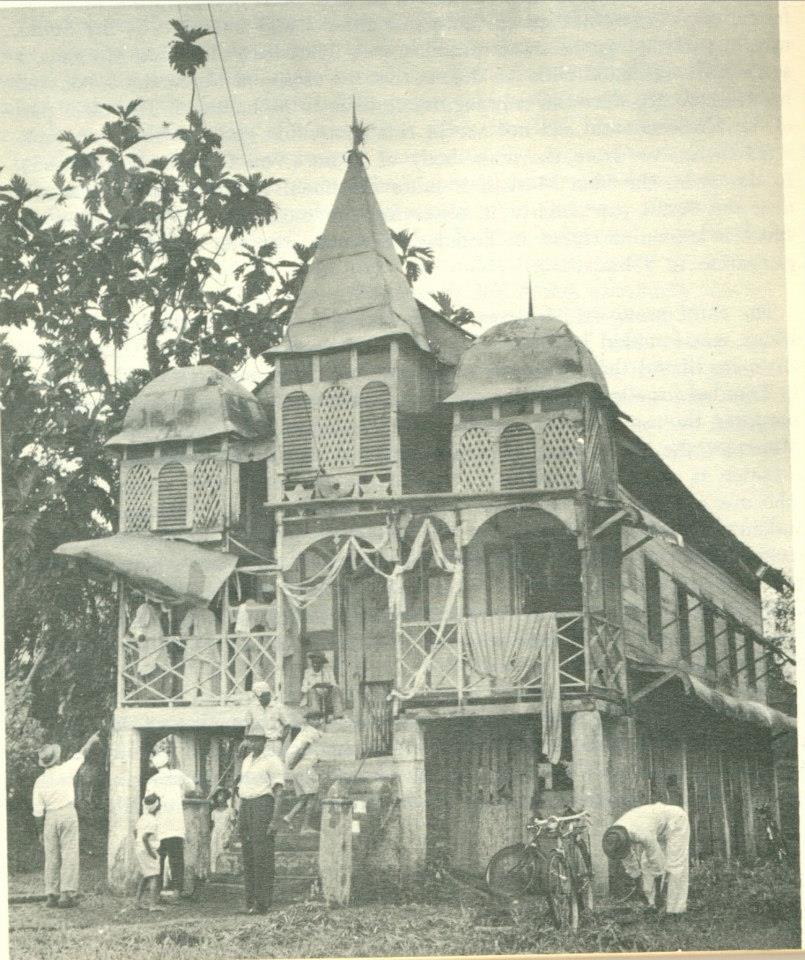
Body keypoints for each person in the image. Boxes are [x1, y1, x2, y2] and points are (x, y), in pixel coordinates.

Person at [32, 729, 101, 908]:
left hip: (49, 818)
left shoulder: (40, 782)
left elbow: (38, 811)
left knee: (51, 856)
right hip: (67, 813)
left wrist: (40, 831)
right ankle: (66, 894)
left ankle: (51, 894)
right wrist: (91, 740)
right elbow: (81, 754)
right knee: (69, 853)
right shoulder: (65, 770)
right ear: (57, 758)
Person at [602, 801, 691, 915]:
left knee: (674, 865)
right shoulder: (616, 835)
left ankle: (674, 911)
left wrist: (659, 892)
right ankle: (652, 905)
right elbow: (628, 860)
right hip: (656, 826)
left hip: (676, 821)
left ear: (627, 840)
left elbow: (657, 863)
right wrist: (639, 887)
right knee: (646, 863)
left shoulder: (642, 834)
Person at [238, 721, 284, 915]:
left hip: (262, 806)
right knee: (248, 855)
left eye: (257, 740)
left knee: (262, 855)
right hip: (246, 806)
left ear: (264, 741)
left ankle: (262, 902)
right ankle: (250, 901)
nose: (253, 743)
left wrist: (274, 819)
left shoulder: (272, 760)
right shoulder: (247, 760)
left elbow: (279, 791)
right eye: (250, 740)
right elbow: (243, 787)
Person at [144, 749, 197, 900]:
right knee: (176, 858)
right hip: (176, 824)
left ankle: (156, 891)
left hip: (159, 825)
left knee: (158, 858)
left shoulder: (152, 781)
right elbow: (192, 787)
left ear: (156, 767)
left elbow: (147, 803)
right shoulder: (178, 775)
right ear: (169, 763)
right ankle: (177, 891)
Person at [283, 714, 324, 834]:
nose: (318, 721)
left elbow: (308, 751)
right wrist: (293, 764)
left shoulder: (304, 731)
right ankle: (305, 827)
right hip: (303, 766)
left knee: (305, 797)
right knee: (311, 795)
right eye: (314, 719)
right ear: (308, 721)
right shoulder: (311, 732)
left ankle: (290, 816)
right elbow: (302, 749)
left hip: (300, 766)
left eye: (318, 718)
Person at [135, 794, 165, 912]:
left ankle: (137, 902)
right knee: (154, 876)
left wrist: (139, 845)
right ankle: (152, 905)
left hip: (140, 849)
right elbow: (144, 837)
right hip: (148, 849)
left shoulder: (143, 817)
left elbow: (135, 832)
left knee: (146, 876)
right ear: (155, 806)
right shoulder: (152, 821)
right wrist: (151, 852)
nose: (160, 806)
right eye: (159, 804)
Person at [245, 682, 292, 756]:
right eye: (258, 697)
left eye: (263, 696)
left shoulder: (278, 707)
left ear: (269, 695)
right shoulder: (252, 707)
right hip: (257, 744)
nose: (260, 699)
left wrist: (280, 741)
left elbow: (287, 726)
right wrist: (247, 740)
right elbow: (248, 726)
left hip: (273, 743)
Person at [300, 652, 342, 719]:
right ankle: (316, 713)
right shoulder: (307, 672)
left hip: (327, 693)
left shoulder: (328, 671)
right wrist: (314, 686)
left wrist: (326, 685)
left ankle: (338, 714)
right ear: (311, 663)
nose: (315, 665)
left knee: (336, 689)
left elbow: (334, 683)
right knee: (311, 691)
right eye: (313, 663)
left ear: (322, 664)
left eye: (318, 663)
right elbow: (304, 688)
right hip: (313, 694)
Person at [209, 787, 235, 874]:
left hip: (225, 834)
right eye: (218, 796)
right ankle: (214, 872)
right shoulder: (214, 812)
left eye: (222, 795)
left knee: (224, 852)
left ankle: (226, 872)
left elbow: (234, 825)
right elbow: (213, 825)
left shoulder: (230, 811)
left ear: (226, 797)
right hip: (215, 834)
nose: (220, 798)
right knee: (214, 852)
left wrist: (231, 837)